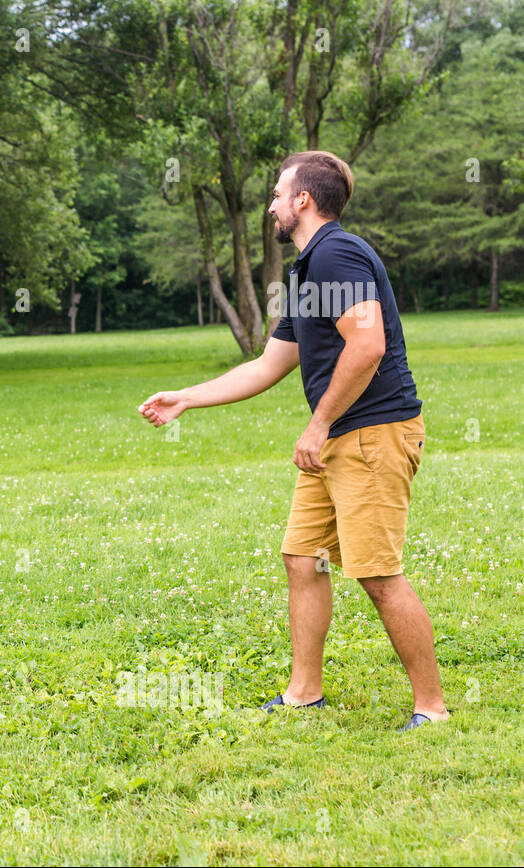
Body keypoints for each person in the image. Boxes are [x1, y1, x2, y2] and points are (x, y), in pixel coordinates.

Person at [137, 150, 448, 732]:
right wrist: (187, 398)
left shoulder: (337, 253)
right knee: (303, 557)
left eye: (278, 195)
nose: (272, 206)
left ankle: (430, 707)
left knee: (377, 574)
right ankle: (304, 692)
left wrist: (318, 423)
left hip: (372, 432)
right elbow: (267, 365)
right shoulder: (308, 270)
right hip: (339, 437)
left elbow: (368, 344)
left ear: (303, 200)